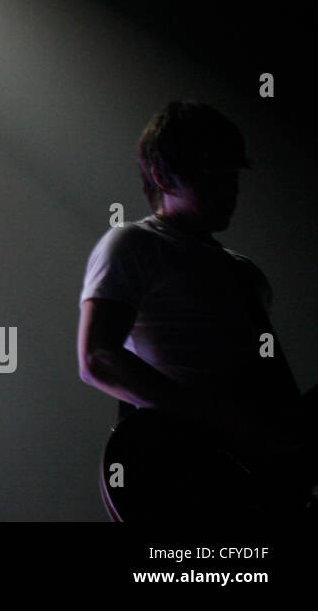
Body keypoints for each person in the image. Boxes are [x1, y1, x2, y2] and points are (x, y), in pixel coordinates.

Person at [76, 101, 314, 516]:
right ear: (161, 175)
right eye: (214, 169)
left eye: (234, 171)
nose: (231, 184)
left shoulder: (245, 273)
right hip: (197, 476)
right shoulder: (134, 243)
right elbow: (98, 358)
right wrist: (226, 421)